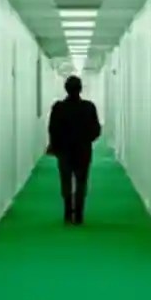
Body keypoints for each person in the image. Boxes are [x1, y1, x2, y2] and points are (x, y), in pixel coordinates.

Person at [47, 76, 102, 225]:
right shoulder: (89, 107)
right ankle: (78, 214)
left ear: (66, 89)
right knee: (81, 181)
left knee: (66, 181)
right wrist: (86, 139)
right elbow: (96, 129)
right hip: (83, 151)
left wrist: (55, 146)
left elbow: (52, 129)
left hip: (64, 151)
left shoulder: (58, 108)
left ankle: (67, 213)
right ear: (80, 89)